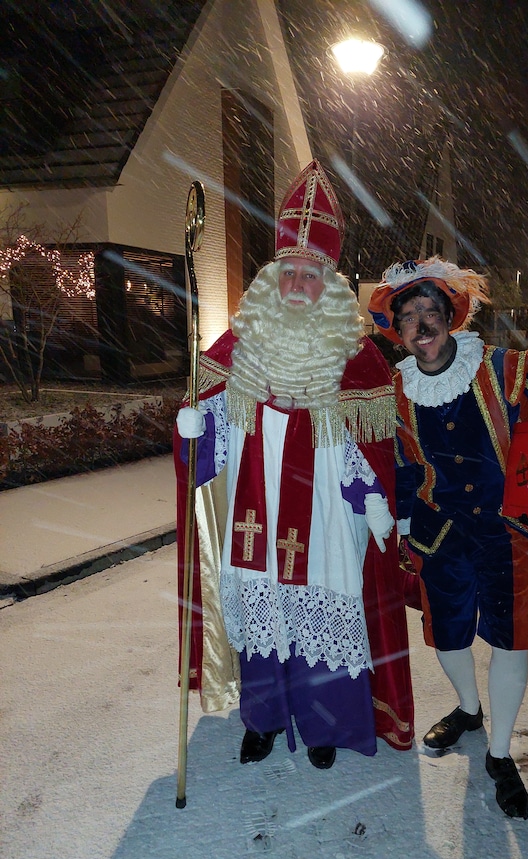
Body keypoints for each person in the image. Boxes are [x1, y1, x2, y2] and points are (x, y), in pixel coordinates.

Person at [174, 160, 414, 770]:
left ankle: (323, 725)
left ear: (330, 284)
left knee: (317, 610)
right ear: (273, 278)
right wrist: (194, 432)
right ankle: (262, 720)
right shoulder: (239, 347)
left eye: (312, 274)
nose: (300, 284)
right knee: (260, 615)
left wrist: (373, 500)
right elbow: (213, 453)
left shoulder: (355, 358)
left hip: (325, 516)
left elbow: (366, 451)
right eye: (290, 272)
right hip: (256, 512)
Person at [368, 257, 528, 818]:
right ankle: (467, 711)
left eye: (430, 310)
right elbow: (405, 467)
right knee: (448, 636)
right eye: (407, 316)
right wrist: (405, 524)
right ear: (398, 331)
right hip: (439, 536)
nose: (421, 324)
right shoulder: (396, 390)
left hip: (505, 532)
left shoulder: (505, 370)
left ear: (450, 316)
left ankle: (500, 755)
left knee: (510, 639)